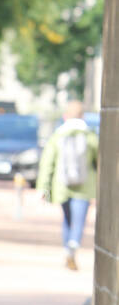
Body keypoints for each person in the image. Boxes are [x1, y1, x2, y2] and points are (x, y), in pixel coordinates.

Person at [37, 100, 98, 270]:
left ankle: (67, 249)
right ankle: (73, 246)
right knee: (79, 222)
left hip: (61, 186)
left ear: (66, 116)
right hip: (85, 187)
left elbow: (47, 164)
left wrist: (44, 190)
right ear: (82, 116)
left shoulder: (58, 135)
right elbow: (100, 160)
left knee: (67, 220)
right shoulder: (89, 135)